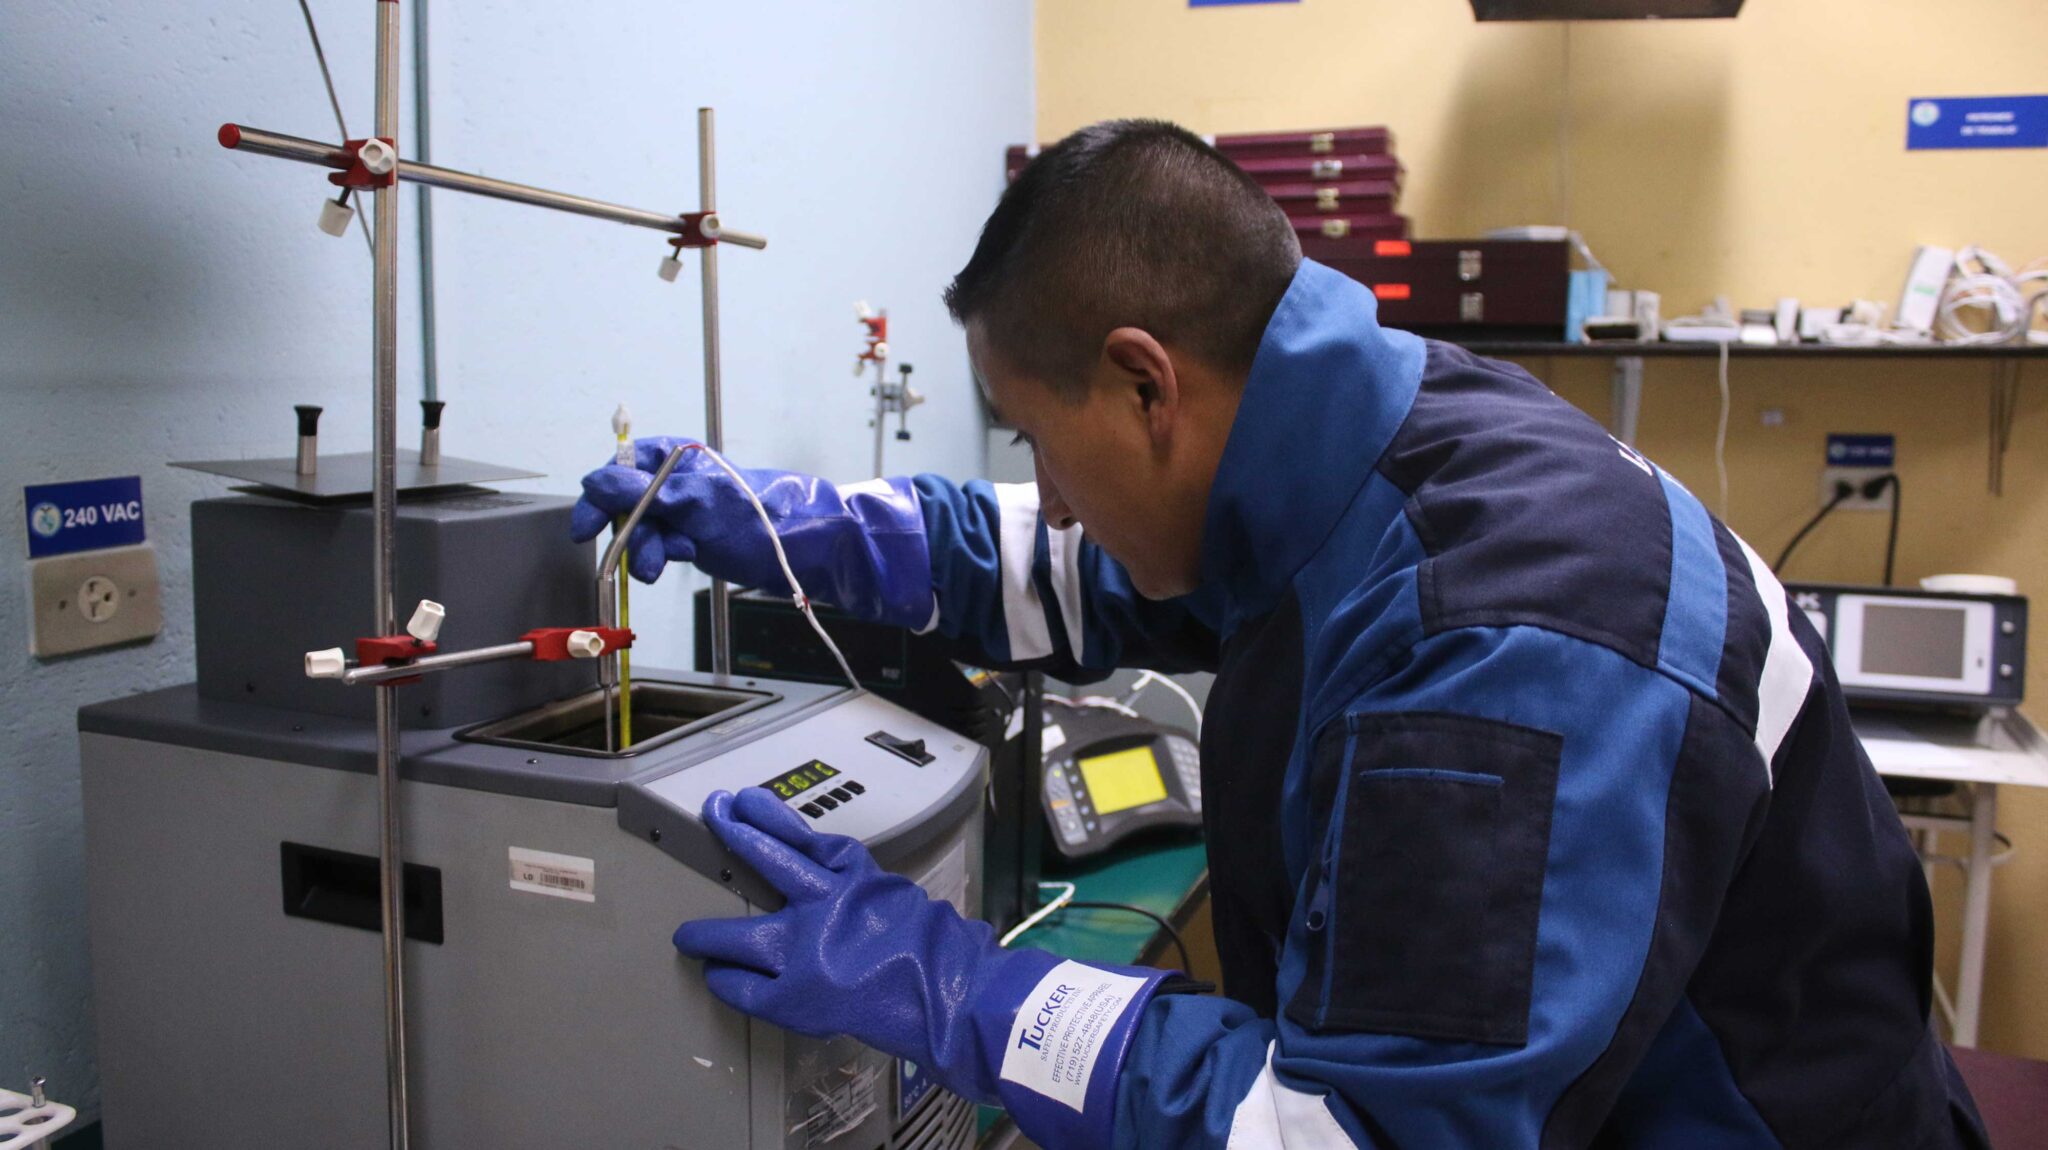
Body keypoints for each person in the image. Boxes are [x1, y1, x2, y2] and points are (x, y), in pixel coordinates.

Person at [572, 120, 1986, 1149]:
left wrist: (962, 988)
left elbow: (1342, 1134)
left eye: (1040, 442)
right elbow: (1062, 570)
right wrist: (789, 525)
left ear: (1144, 385)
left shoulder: (1505, 654)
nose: (1048, 494)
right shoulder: (1355, 448)